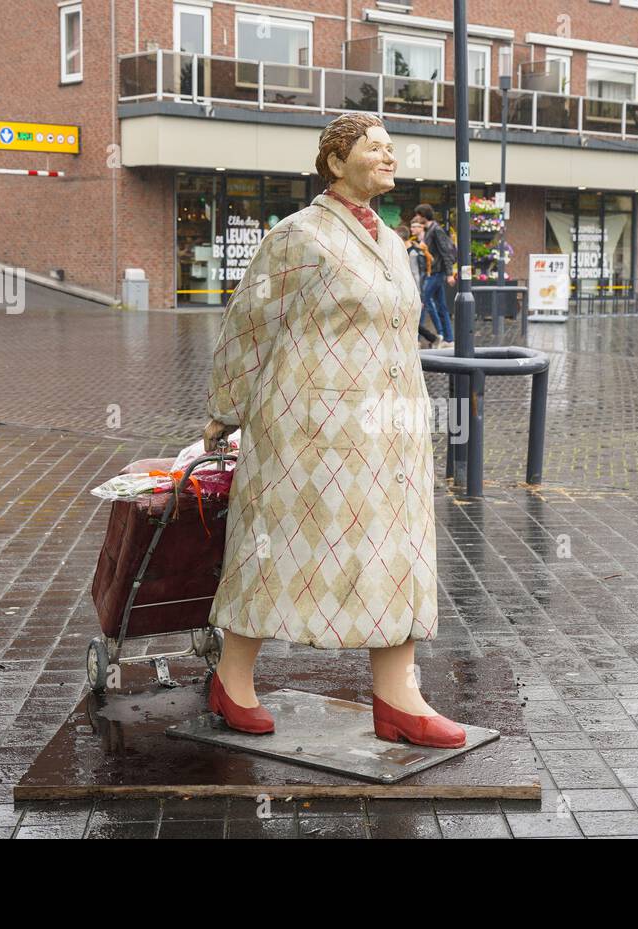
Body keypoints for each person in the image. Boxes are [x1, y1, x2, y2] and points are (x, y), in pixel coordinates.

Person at [201, 112, 465, 749]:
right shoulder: (298, 236)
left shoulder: (395, 242)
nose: (388, 157)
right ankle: (232, 680)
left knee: (393, 551)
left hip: (389, 427)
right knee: (276, 547)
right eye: (373, 148)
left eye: (390, 148)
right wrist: (225, 407)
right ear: (335, 162)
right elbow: (250, 320)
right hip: (307, 427)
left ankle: (398, 696)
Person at [413, 203, 456, 347]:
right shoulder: (430, 229)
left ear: (424, 216)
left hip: (436, 273)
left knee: (421, 303)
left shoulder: (436, 230)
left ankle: (417, 338)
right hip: (433, 272)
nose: (418, 218)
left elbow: (445, 252)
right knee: (441, 306)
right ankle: (448, 339)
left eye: (419, 215)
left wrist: (449, 274)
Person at [402, 219, 445, 348]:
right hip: (416, 287)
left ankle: (434, 337)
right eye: (411, 226)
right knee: (426, 310)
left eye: (415, 226)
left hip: (419, 286)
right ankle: (433, 337)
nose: (413, 229)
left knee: (428, 309)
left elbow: (416, 274)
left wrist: (418, 293)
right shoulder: (412, 249)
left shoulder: (414, 252)